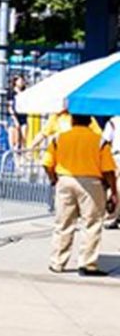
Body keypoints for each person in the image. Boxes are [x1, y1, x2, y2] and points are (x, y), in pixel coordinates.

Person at [38, 115, 115, 276]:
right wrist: (113, 191)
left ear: (72, 121)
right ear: (89, 122)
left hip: (65, 180)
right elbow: (108, 170)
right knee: (92, 223)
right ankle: (87, 264)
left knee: (63, 223)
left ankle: (57, 262)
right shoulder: (99, 141)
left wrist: (54, 179)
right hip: (92, 183)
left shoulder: (59, 139)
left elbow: (46, 163)